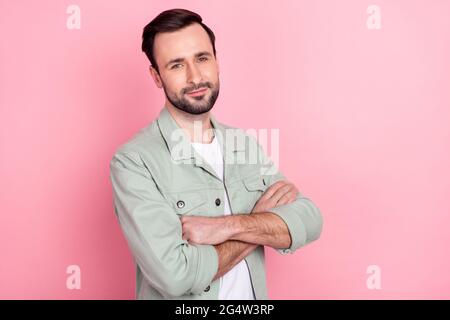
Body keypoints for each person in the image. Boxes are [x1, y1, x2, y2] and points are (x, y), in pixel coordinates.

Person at [109, 8, 323, 300]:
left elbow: (309, 220)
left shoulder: (244, 145)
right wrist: (260, 221)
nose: (195, 77)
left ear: (217, 61)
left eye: (202, 58)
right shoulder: (134, 162)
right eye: (176, 65)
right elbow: (176, 276)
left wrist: (227, 226)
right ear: (156, 77)